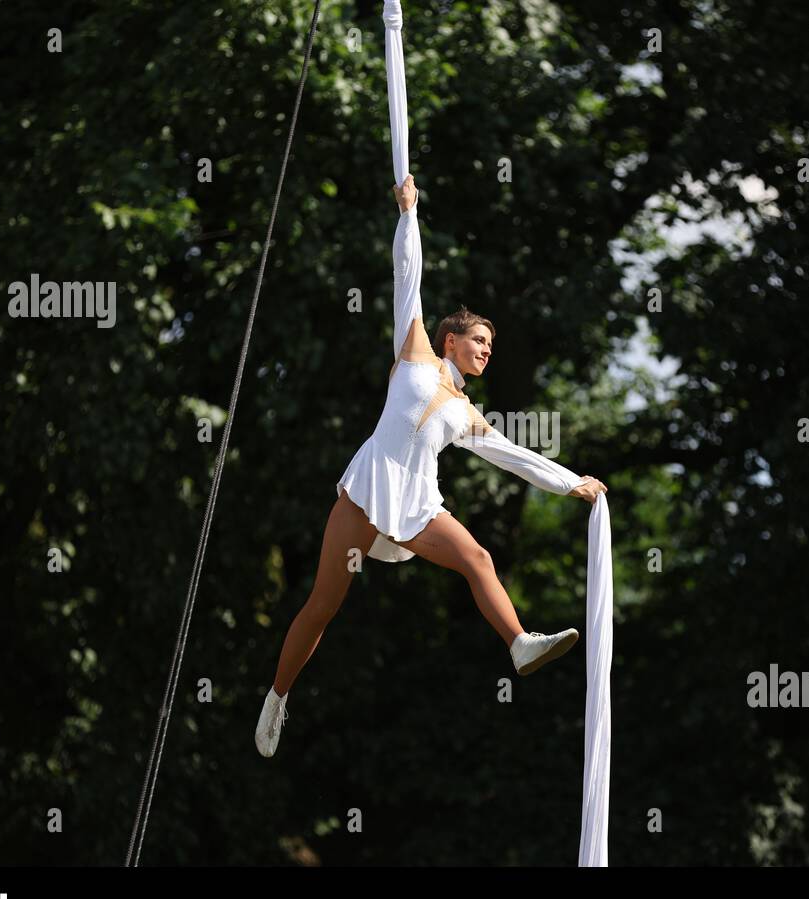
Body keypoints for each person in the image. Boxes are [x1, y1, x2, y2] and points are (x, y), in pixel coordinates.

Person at [255, 0, 606, 758]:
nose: (486, 352)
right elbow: (406, 274)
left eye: (488, 345)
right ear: (452, 336)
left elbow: (510, 454)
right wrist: (408, 212)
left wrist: (570, 481)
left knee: (478, 557)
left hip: (415, 506)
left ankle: (516, 643)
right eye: (479, 341)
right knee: (322, 606)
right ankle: (278, 696)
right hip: (366, 490)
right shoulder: (415, 350)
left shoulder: (464, 412)